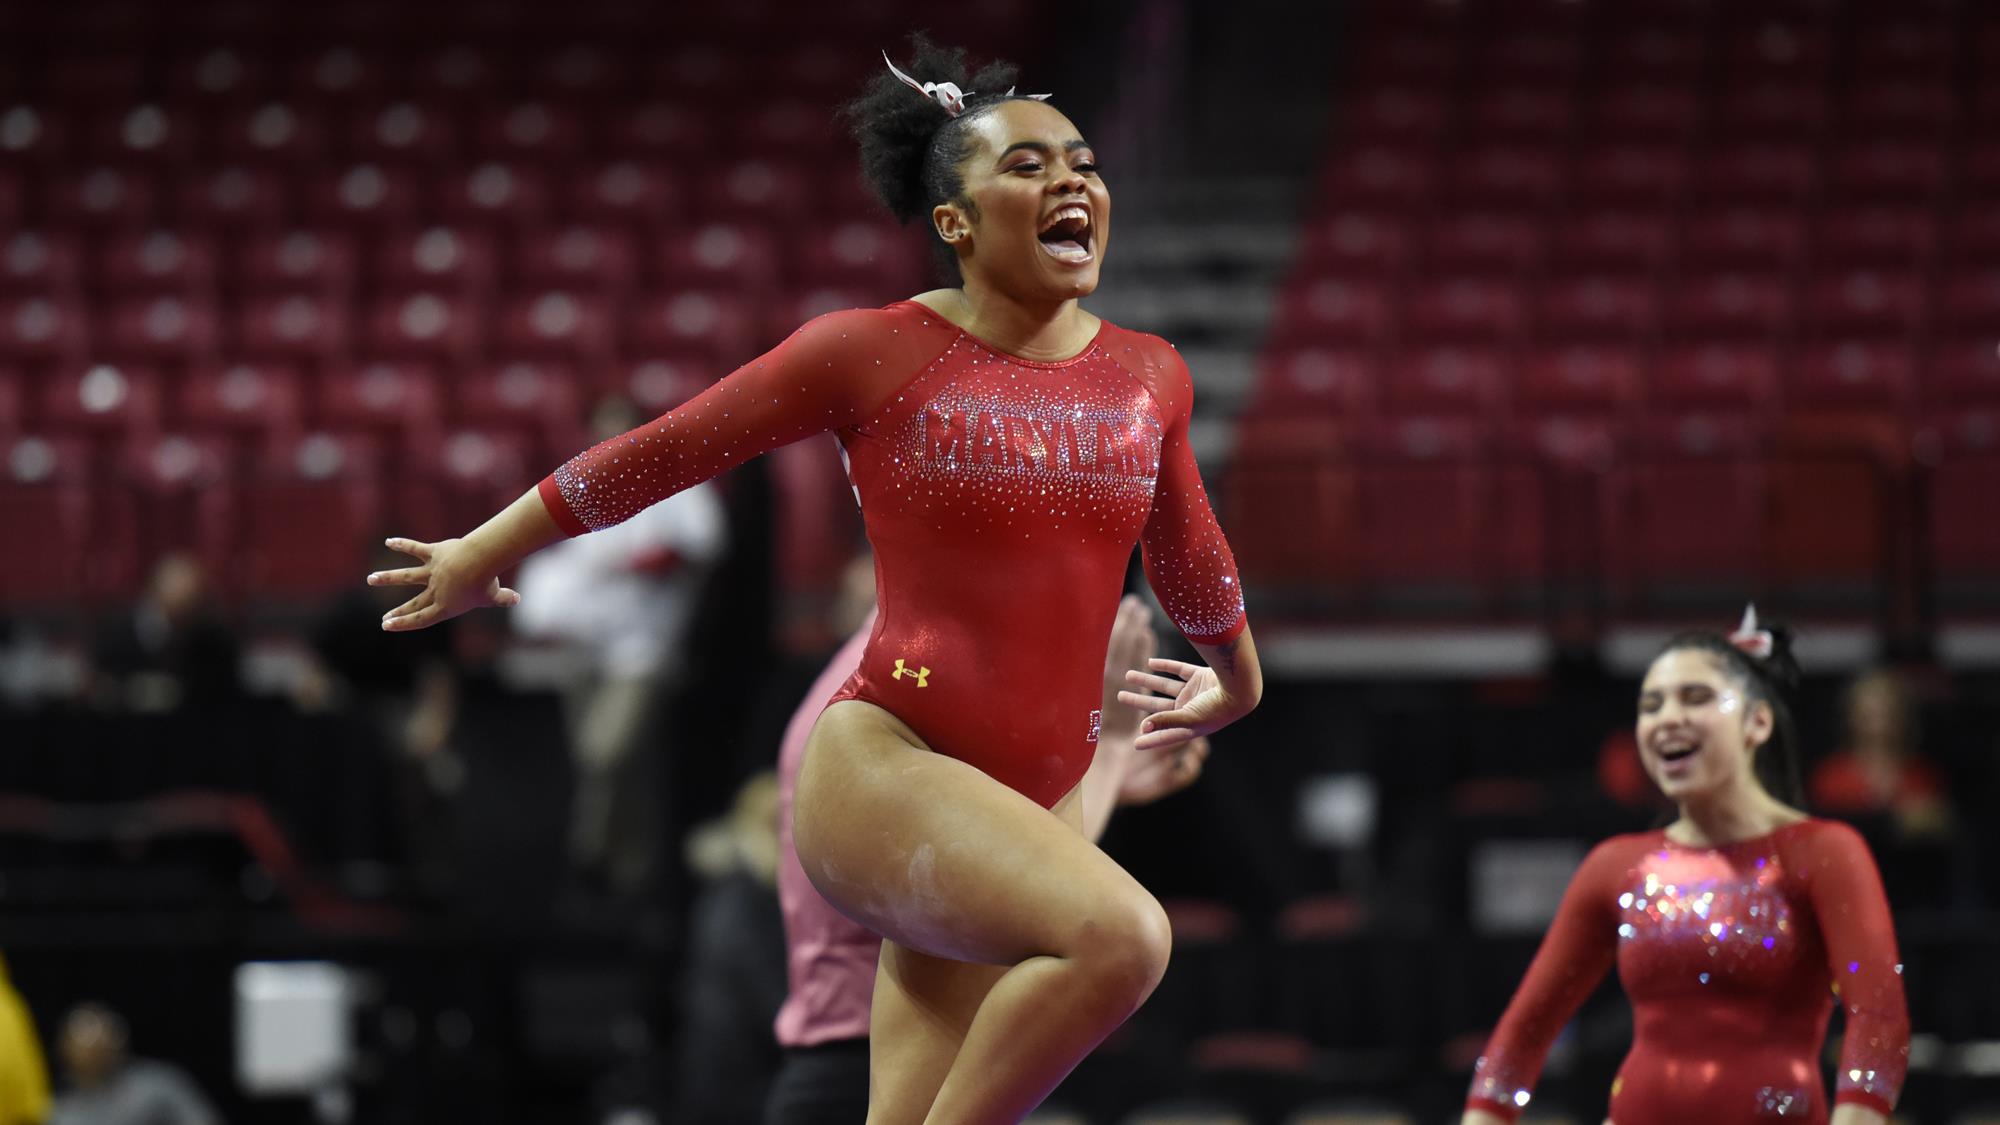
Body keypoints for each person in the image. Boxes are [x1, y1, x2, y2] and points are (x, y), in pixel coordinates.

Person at [369, 35, 1261, 1122]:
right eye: (1026, 166)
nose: (1070, 178)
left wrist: (1237, 674)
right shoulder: (870, 351)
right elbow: (663, 452)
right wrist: (480, 550)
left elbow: (1187, 550)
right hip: (887, 761)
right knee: (1124, 938)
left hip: (1030, 788)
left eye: (1081, 160)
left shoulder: (1149, 373)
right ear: (955, 225)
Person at [766, 593, 1210, 1125]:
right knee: (1121, 939)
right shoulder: (915, 683)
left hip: (894, 1046)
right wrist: (1110, 750)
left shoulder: (906, 669)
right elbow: (1021, 890)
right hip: (863, 1062)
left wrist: (1101, 766)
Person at [1462, 608, 1910, 1125]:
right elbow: (1523, 1033)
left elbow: (1879, 1019)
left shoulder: (1824, 852)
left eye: (1695, 698)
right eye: (1651, 705)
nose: (1667, 718)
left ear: (1756, 721)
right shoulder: (1617, 866)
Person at [512, 394, 728, 900]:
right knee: (620, 766)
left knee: (605, 754)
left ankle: (586, 856)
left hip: (644, 651)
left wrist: (642, 566)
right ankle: (633, 873)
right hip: (585, 648)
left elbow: (704, 546)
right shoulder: (583, 484)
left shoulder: (677, 487)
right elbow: (555, 563)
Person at [86, 553, 240, 713]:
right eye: (177, 601)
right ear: (154, 592)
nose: (182, 610)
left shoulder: (213, 639)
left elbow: (220, 692)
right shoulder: (116, 629)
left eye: (190, 602)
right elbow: (101, 682)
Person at [49, 1004, 219, 1125]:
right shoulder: (59, 1112)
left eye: (104, 1037)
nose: (96, 1049)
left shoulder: (158, 1086)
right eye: (86, 1044)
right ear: (63, 1049)